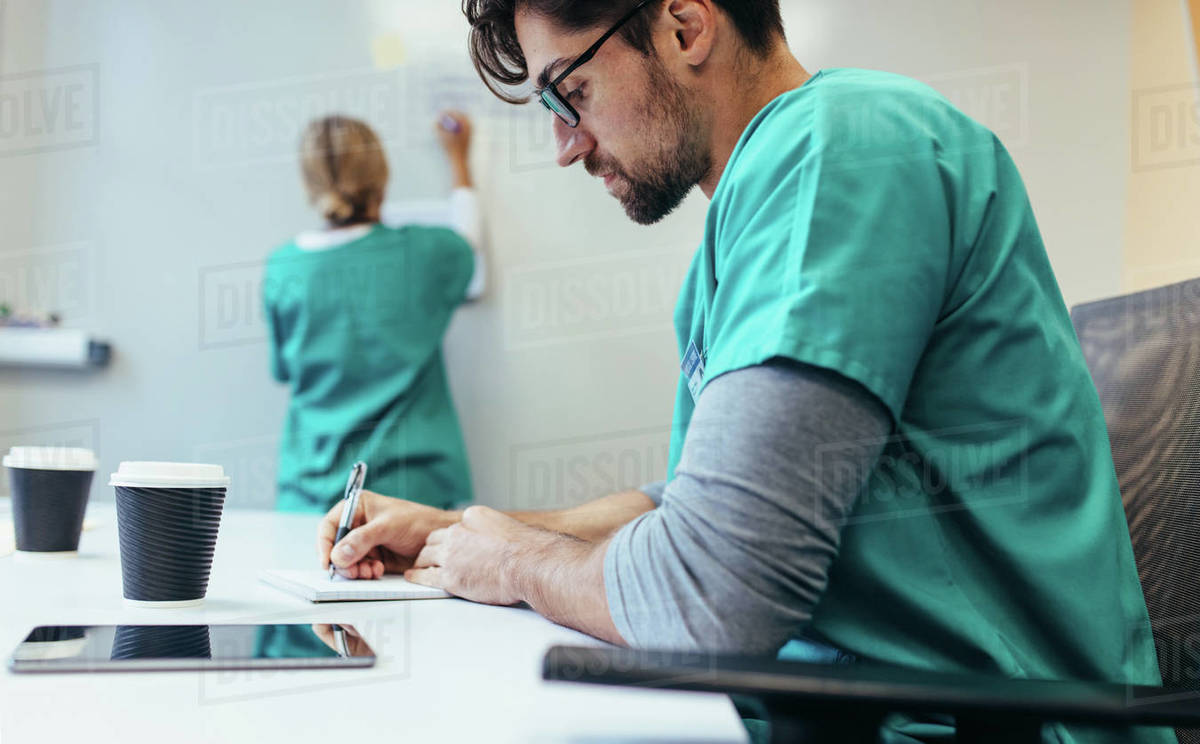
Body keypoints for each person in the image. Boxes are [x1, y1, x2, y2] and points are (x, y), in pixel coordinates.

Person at [316, 3, 1170, 741]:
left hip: (973, 723)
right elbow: (696, 506)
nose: (565, 146)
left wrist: (516, 565)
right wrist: (465, 532)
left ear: (685, 24)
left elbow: (712, 594)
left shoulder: (843, 151)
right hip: (848, 706)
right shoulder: (769, 198)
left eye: (569, 93)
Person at [265, 113, 485, 513]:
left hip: (306, 501)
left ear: (309, 184)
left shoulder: (283, 268)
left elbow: (283, 370)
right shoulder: (425, 254)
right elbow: (469, 240)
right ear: (381, 178)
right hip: (409, 500)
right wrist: (458, 159)